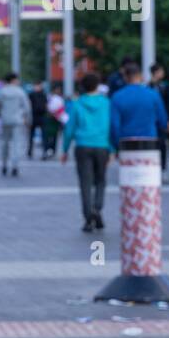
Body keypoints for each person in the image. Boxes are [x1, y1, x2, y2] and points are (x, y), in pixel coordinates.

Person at [60, 72, 113, 231]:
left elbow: (69, 129)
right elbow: (111, 126)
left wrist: (65, 149)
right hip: (102, 145)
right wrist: (112, 148)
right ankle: (97, 207)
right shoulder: (106, 103)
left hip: (82, 145)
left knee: (85, 183)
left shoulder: (77, 104)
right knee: (101, 180)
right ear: (98, 85)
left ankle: (88, 216)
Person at [111, 60, 169, 148]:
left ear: (125, 77)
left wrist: (117, 144)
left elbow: (114, 125)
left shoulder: (117, 97)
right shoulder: (153, 95)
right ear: (141, 76)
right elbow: (163, 121)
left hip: (126, 142)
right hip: (149, 142)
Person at [0, 72, 30, 176]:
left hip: (5, 120)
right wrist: (28, 120)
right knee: (17, 144)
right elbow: (27, 108)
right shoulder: (20, 92)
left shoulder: (1, 92)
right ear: (13, 80)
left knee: (4, 143)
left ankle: (4, 164)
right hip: (17, 121)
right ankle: (15, 166)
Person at [43, 81, 67, 158]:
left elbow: (62, 109)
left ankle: (53, 150)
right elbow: (46, 107)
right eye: (57, 89)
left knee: (55, 136)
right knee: (47, 135)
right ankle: (47, 150)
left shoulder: (60, 99)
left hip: (56, 119)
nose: (58, 91)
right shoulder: (49, 97)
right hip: (49, 119)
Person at [27, 81, 47, 158]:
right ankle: (30, 150)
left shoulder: (42, 94)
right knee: (32, 135)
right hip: (35, 117)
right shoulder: (32, 95)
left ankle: (44, 151)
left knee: (42, 136)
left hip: (40, 117)